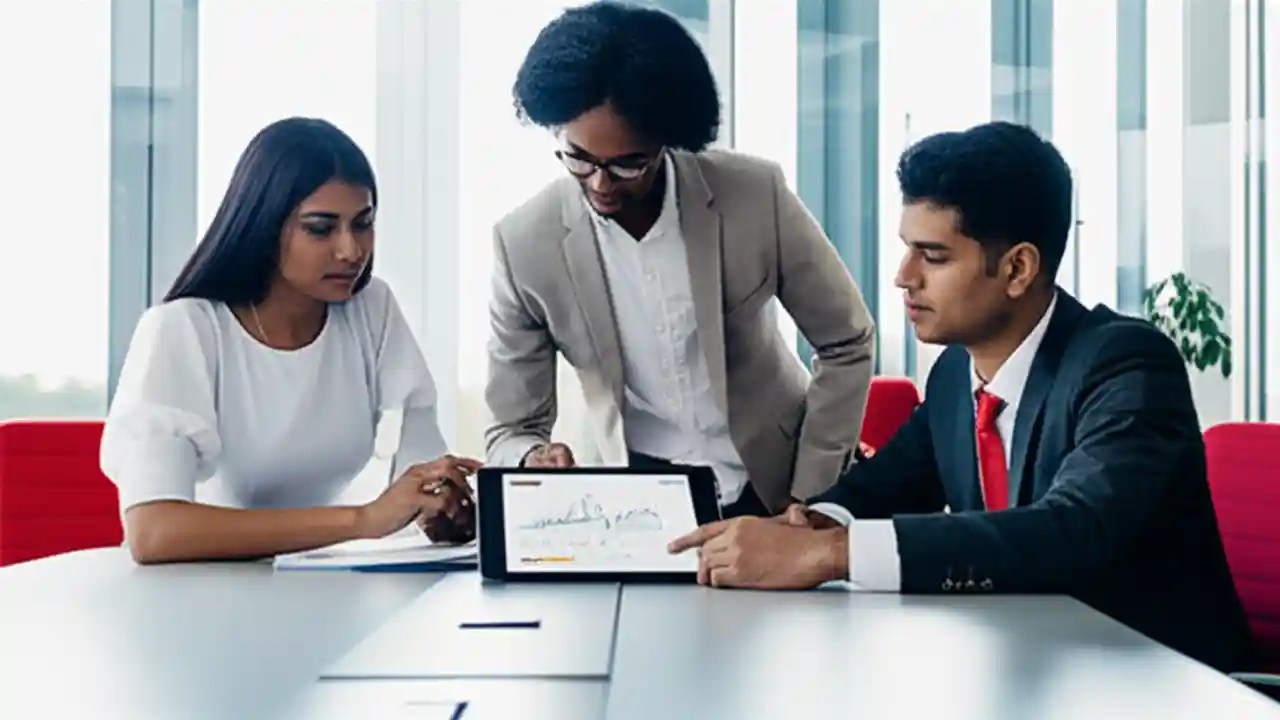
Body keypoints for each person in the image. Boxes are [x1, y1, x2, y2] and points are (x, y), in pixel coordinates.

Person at [669, 121, 1252, 672]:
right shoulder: (955, 373)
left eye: (935, 255)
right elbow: (889, 482)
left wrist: (828, 555)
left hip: (1153, 680)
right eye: (907, 249)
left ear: (1018, 268)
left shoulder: (1126, 364)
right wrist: (808, 522)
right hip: (1025, 668)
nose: (904, 276)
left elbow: (1074, 530)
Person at [485, 1, 875, 517]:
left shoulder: (754, 195)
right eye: (579, 159)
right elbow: (511, 429)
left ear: (666, 142)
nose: (601, 184)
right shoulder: (523, 245)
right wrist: (532, 456)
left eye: (629, 165)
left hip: (776, 488)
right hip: (632, 503)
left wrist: (811, 496)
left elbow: (847, 341)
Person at [101, 117, 478, 564]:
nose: (351, 250)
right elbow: (154, 532)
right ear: (263, 224)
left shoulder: (370, 309)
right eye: (321, 228)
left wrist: (440, 507)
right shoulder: (185, 329)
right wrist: (364, 520)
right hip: (199, 596)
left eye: (363, 223)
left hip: (319, 589)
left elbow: (421, 462)